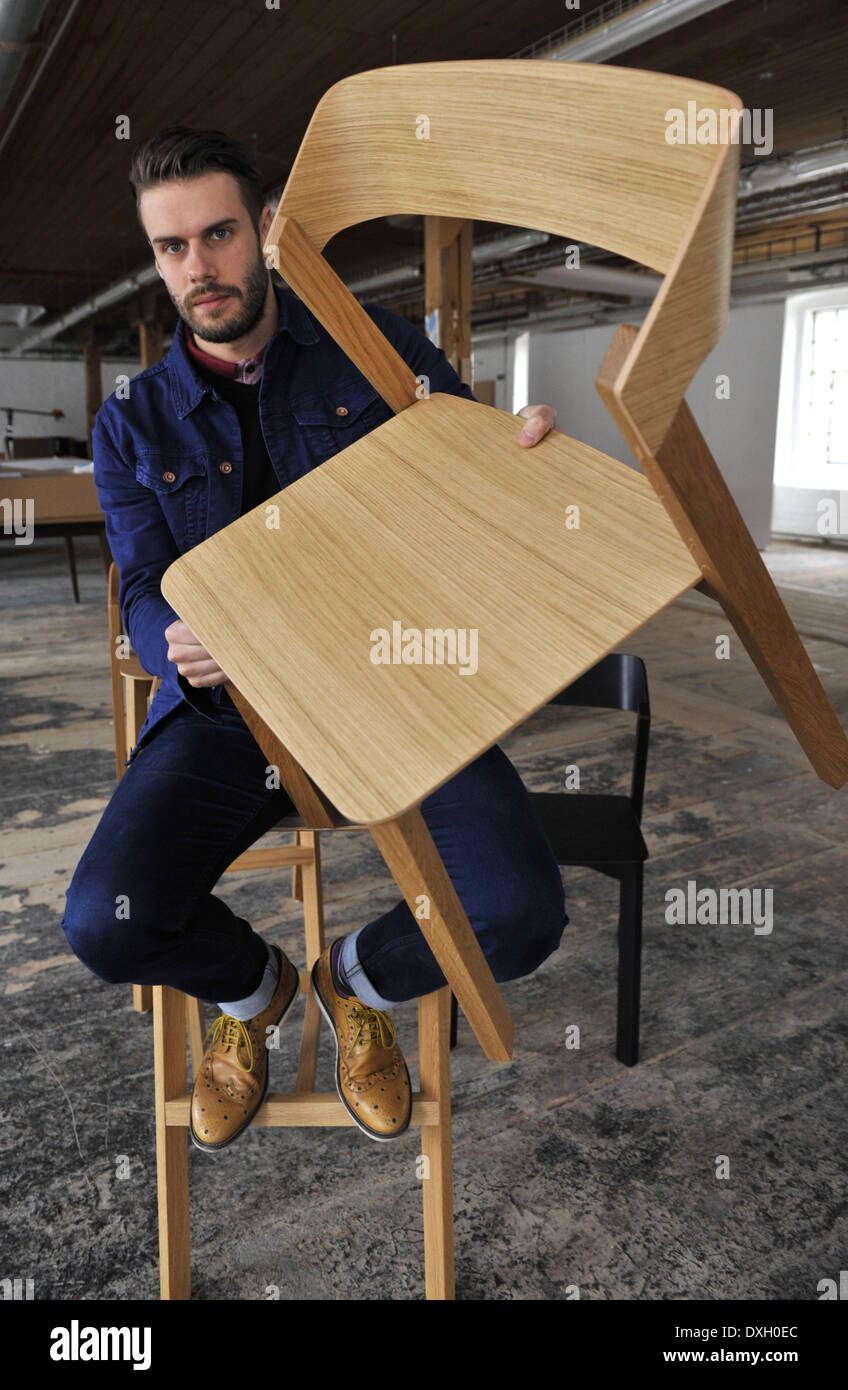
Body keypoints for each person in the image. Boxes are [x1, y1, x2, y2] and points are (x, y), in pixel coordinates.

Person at [61, 127, 569, 1152]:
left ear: (263, 232)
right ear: (155, 260)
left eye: (217, 234)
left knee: (518, 914)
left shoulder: (378, 353)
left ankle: (354, 981)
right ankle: (255, 993)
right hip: (228, 717)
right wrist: (173, 640)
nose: (198, 269)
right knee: (106, 923)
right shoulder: (133, 426)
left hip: (393, 691)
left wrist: (522, 464)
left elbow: (470, 486)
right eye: (171, 249)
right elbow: (145, 584)